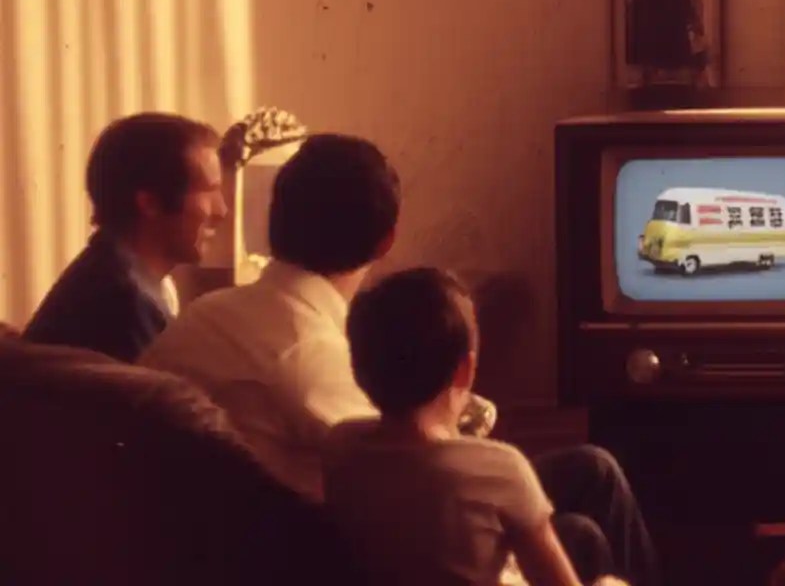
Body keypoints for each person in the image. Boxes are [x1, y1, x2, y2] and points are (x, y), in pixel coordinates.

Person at [139, 134, 658, 586]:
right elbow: (418, 476)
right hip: (327, 556)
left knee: (592, 469)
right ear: (387, 239)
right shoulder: (308, 353)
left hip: (200, 546)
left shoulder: (207, 314)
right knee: (580, 530)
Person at [325, 267, 622, 586]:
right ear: (464, 371)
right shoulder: (501, 469)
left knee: (588, 503)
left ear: (357, 371)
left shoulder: (340, 445)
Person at [24, 113, 226, 362]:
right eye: (209, 191)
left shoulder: (123, 277)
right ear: (150, 203)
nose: (222, 211)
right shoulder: (123, 304)